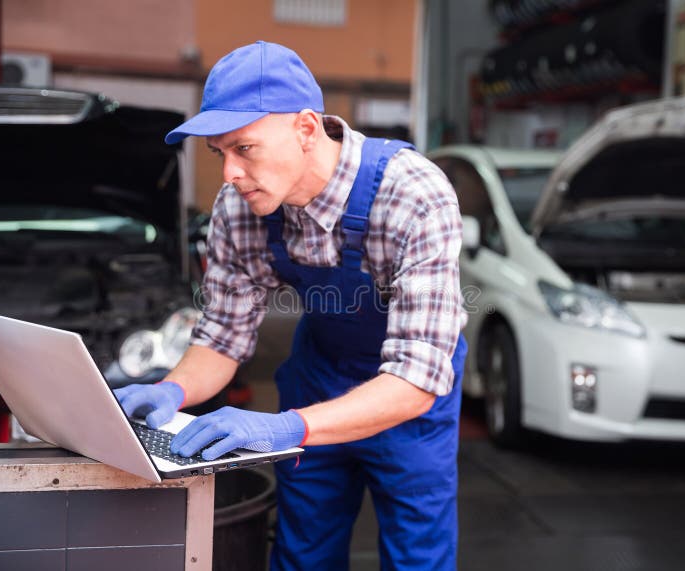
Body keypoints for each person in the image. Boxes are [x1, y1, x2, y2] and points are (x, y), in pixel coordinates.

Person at [114, 40, 467, 570]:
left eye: (244, 148)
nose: (228, 172)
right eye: (219, 154)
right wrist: (171, 389)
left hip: (410, 402)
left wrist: (285, 429)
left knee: (418, 557)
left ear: (306, 129)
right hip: (319, 375)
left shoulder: (413, 195)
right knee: (303, 555)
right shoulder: (241, 207)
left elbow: (416, 379)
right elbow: (222, 339)